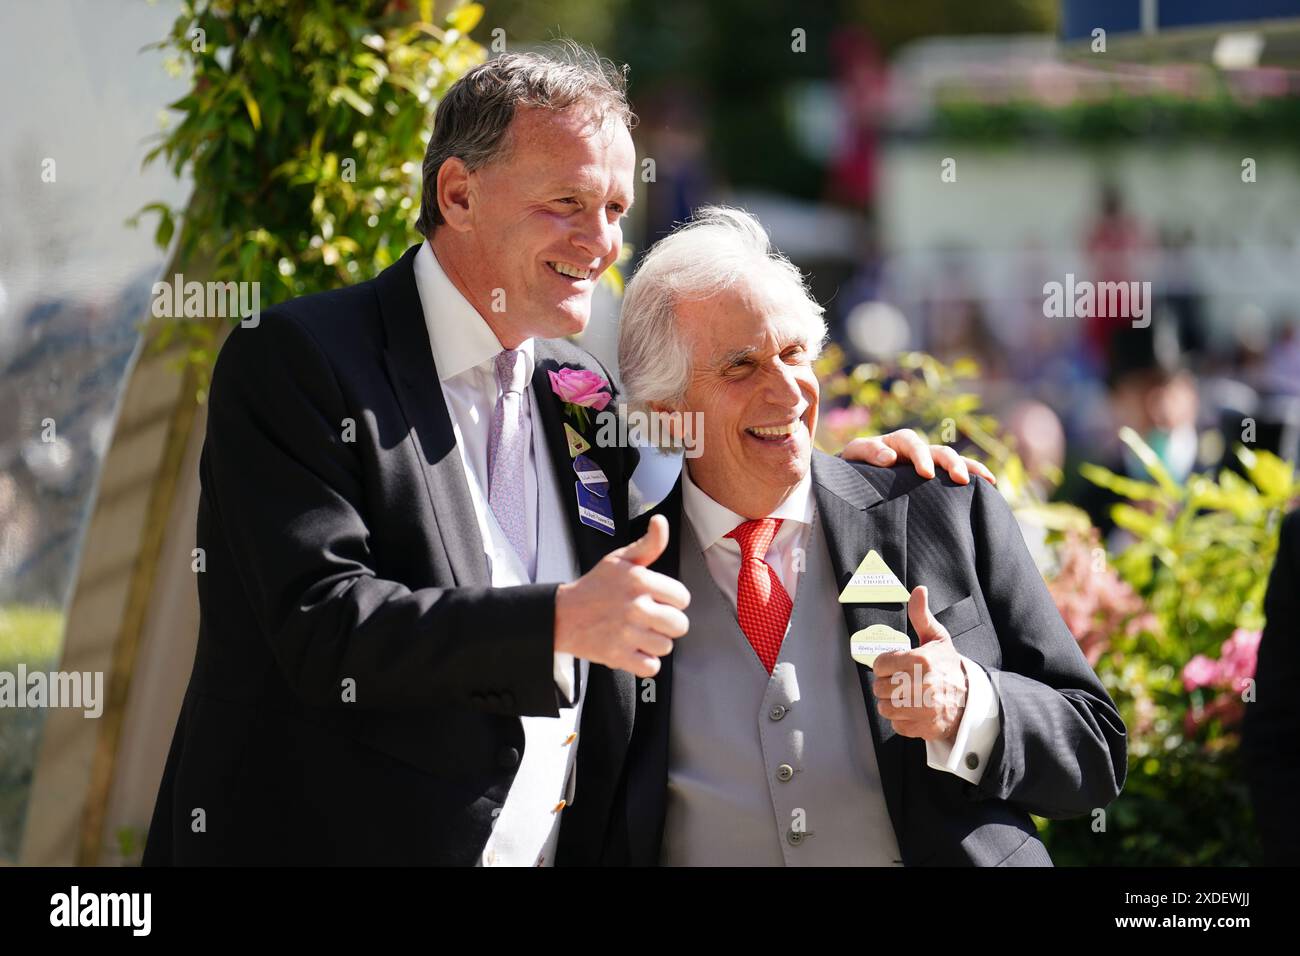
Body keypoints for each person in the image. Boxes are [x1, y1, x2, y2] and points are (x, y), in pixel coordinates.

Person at [142, 48, 979, 866]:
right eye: (568, 203)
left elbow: (691, 502)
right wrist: (557, 623)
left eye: (616, 210)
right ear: (459, 194)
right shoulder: (298, 358)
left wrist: (832, 479)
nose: (602, 242)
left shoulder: (579, 389)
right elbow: (322, 626)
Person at [558, 207, 1127, 866]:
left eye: (795, 353)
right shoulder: (612, 572)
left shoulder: (939, 506)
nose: (788, 392)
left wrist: (971, 706)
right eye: (741, 367)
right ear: (664, 414)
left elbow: (1095, 754)